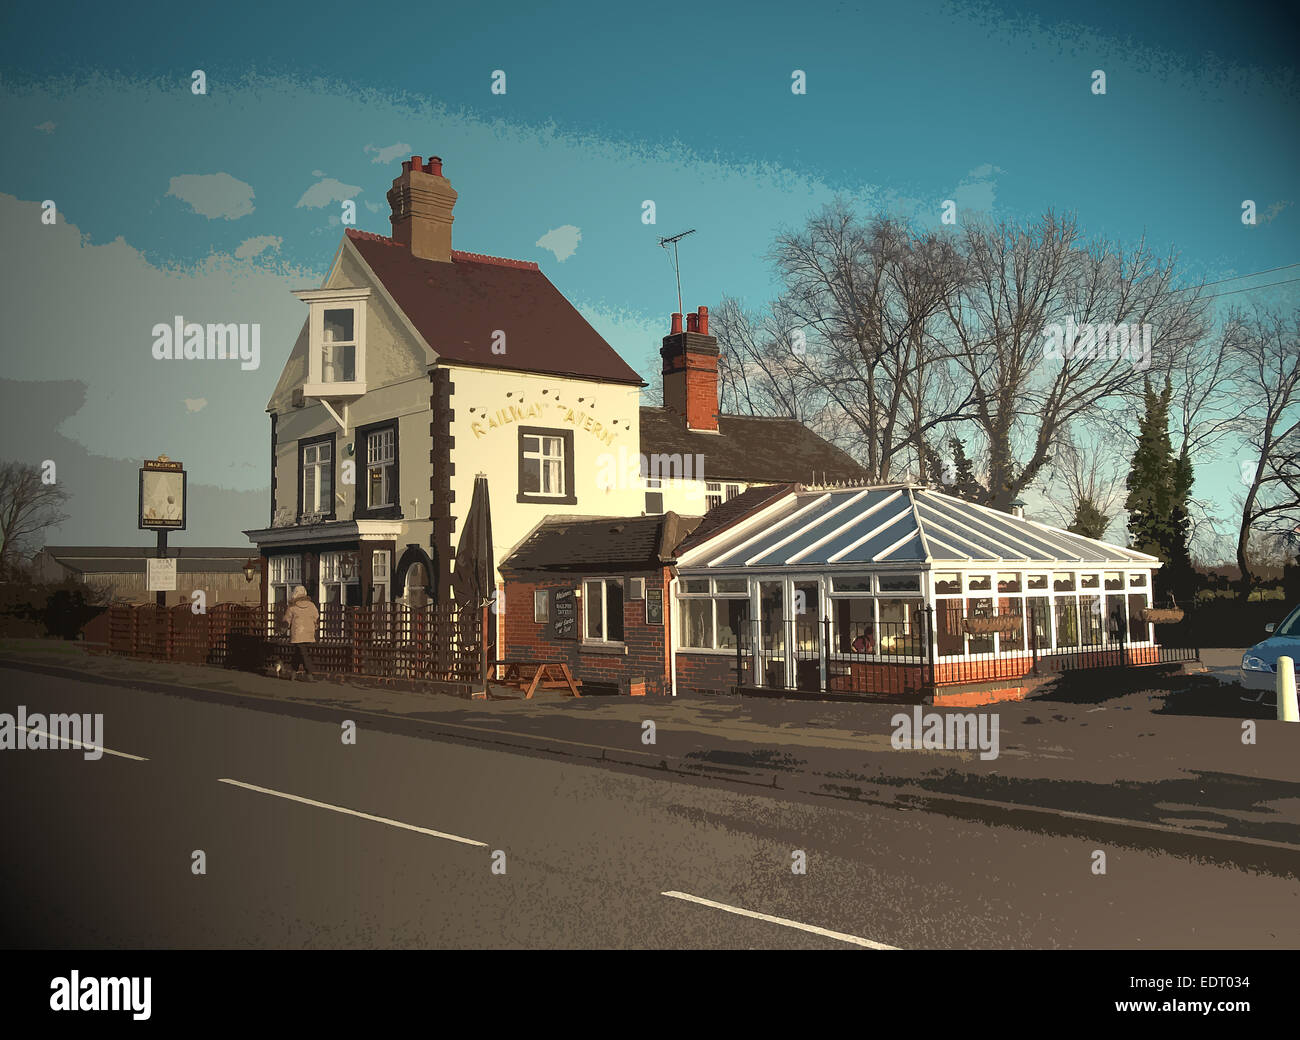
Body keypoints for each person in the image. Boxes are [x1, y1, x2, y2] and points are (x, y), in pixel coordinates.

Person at [282, 585, 319, 680]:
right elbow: (316, 617)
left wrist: (284, 627)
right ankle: (293, 674)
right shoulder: (311, 605)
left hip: (297, 633)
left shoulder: (293, 606)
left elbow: (287, 619)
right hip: (309, 632)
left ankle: (309, 673)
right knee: (299, 653)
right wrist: (315, 626)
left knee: (302, 653)